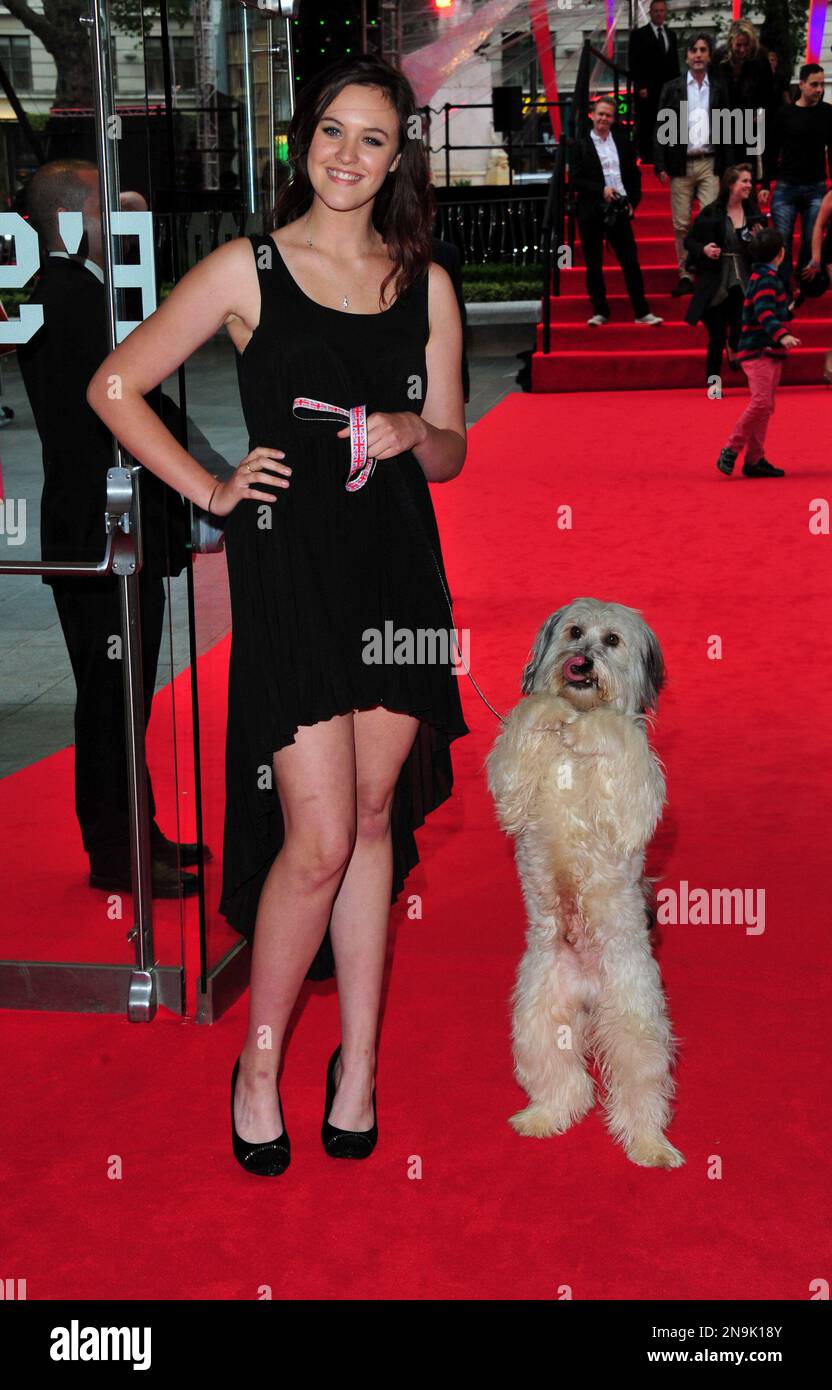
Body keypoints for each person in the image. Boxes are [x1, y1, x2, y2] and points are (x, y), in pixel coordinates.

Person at [86, 54, 470, 1174]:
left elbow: (449, 448)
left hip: (400, 573)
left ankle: (357, 1064)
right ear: (304, 140)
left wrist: (412, 434)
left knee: (373, 816)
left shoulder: (423, 281)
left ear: (398, 158)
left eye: (372, 139)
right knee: (316, 839)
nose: (348, 155)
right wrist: (208, 488)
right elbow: (115, 384)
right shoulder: (247, 270)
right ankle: (258, 1061)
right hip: (290, 570)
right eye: (333, 132)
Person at [16, 159, 199, 898]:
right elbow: (135, 402)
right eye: (101, 209)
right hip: (99, 524)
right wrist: (208, 485)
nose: (116, 222)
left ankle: (135, 834)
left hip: (94, 519)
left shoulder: (75, 291)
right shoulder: (70, 297)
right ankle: (119, 852)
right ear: (70, 220)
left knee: (122, 694)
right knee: (112, 697)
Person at [570, 95, 663, 326]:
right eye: (600, 114)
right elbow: (575, 180)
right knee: (593, 263)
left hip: (619, 209)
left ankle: (642, 311)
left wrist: (632, 201)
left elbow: (634, 175)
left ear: (613, 119)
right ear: (592, 115)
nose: (603, 118)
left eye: (608, 115)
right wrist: (601, 190)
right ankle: (600, 310)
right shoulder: (580, 144)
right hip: (592, 209)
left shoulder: (622, 142)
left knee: (630, 260)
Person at [716, 227, 800, 479]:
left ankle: (754, 459)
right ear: (781, 254)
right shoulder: (765, 279)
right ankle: (732, 448)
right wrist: (782, 335)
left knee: (765, 406)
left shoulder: (765, 278)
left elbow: (773, 311)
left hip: (766, 350)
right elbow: (764, 314)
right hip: (758, 350)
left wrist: (793, 306)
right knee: (762, 403)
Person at [654, 34, 734, 297]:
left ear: (709, 56)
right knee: (681, 224)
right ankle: (686, 273)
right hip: (681, 163)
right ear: (686, 56)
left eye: (703, 50)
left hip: (710, 162)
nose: (698, 55)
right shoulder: (672, 88)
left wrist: (729, 168)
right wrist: (661, 163)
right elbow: (661, 128)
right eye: (693, 50)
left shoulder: (720, 88)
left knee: (712, 220)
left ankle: (709, 273)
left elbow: (729, 129)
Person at [683, 164, 768, 385]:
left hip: (742, 281)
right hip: (716, 282)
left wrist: (761, 238)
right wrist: (704, 249)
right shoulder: (712, 212)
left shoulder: (753, 214)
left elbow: (764, 250)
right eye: (745, 181)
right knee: (717, 334)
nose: (749, 186)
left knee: (740, 330)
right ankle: (713, 384)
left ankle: (733, 345)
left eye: (750, 181)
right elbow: (689, 240)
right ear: (731, 184)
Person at [762, 63, 832, 298]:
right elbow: (770, 150)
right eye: (814, 84)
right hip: (787, 186)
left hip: (816, 186)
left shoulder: (828, 113)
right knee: (783, 240)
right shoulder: (785, 114)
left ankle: (804, 284)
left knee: (812, 237)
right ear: (801, 84)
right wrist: (764, 183)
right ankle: (782, 289)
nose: (819, 89)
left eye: (822, 84)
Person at [713, 19, 776, 165]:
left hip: (750, 120)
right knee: (727, 167)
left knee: (748, 166)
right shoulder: (719, 58)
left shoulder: (760, 58)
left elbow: (769, 94)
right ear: (730, 43)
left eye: (746, 45)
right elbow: (714, 91)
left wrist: (759, 114)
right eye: (738, 45)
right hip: (725, 120)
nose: (742, 50)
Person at [627, 0, 679, 165]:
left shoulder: (671, 35)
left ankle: (666, 157)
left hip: (668, 89)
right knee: (647, 123)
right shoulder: (639, 34)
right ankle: (648, 157)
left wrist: (678, 87)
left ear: (665, 13)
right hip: (648, 89)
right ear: (650, 12)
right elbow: (634, 62)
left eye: (662, 11)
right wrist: (640, 85)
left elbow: (674, 63)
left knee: (668, 120)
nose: (659, 14)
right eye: (656, 11)